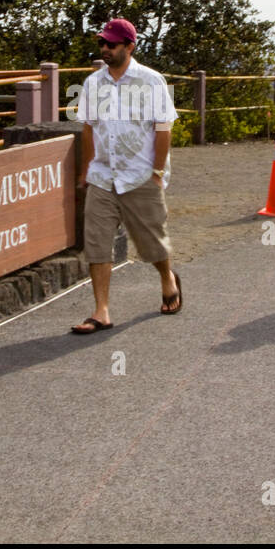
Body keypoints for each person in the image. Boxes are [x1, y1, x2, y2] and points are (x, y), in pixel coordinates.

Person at [71, 18, 183, 334]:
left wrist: (157, 173)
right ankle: (101, 311)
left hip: (140, 174)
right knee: (97, 242)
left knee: (152, 244)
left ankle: (167, 277)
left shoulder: (152, 81)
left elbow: (163, 128)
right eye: (102, 44)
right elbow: (89, 128)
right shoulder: (93, 83)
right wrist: (86, 171)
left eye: (111, 44)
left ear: (129, 46)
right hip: (103, 176)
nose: (105, 49)